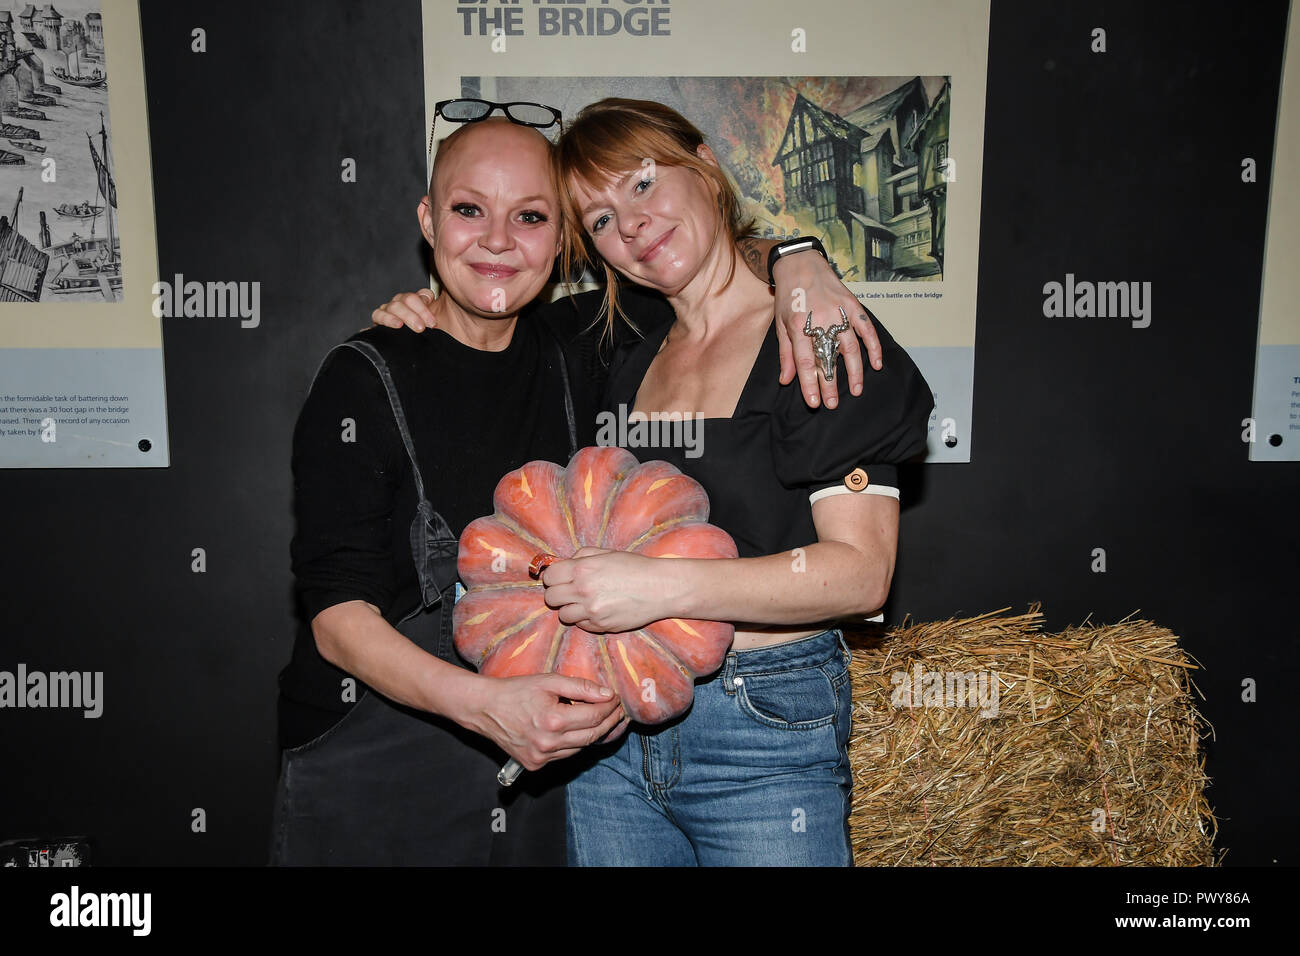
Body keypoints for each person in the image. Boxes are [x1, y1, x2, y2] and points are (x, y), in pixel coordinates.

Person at [275, 101, 874, 865]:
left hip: (538, 768)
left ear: (562, 243)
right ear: (428, 221)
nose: (495, 241)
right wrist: (486, 706)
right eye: (468, 211)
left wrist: (800, 259)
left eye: (529, 217)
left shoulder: (587, 346)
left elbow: (696, 252)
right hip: (381, 755)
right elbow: (335, 617)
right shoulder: (362, 379)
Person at [537, 98, 936, 866]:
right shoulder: (621, 345)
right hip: (611, 737)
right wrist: (418, 309)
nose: (633, 226)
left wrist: (659, 588)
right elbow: (487, 311)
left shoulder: (815, 333)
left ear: (707, 165)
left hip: (761, 727)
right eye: (601, 220)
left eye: (645, 184)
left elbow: (860, 576)